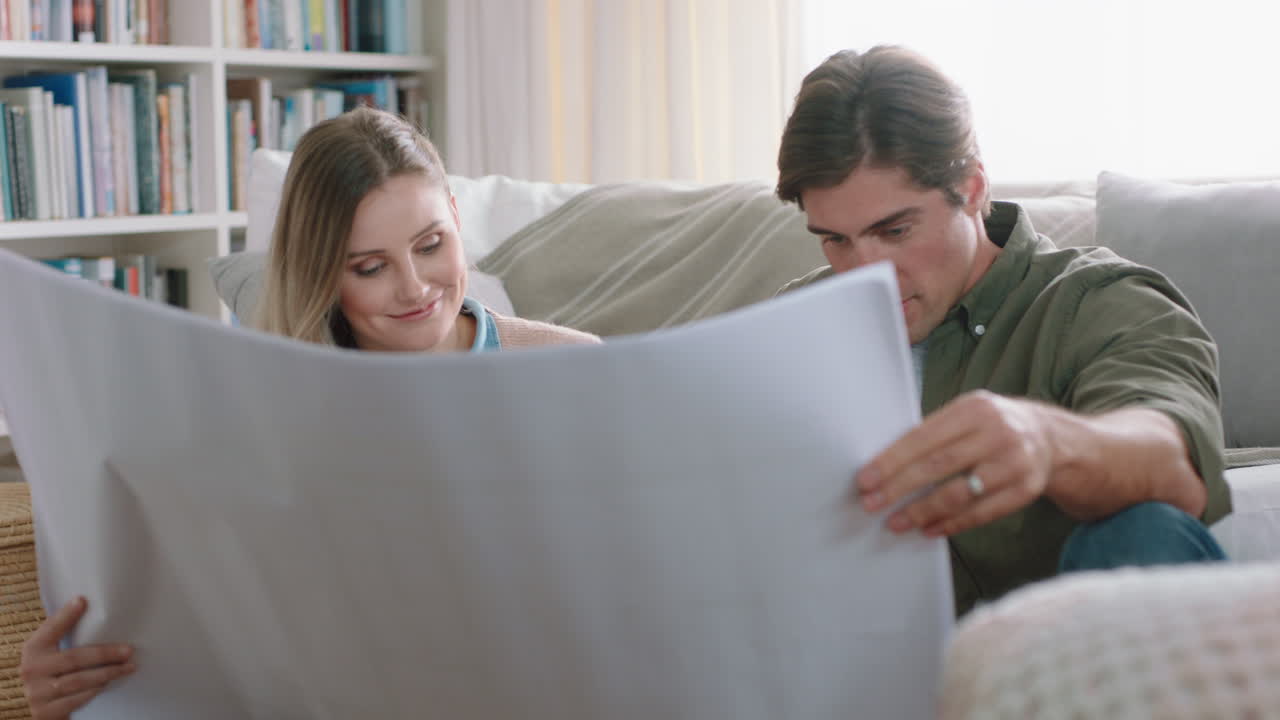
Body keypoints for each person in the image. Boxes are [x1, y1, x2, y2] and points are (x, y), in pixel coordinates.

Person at [21, 107, 599, 717]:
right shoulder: (257, 415)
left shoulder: (578, 372)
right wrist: (77, 694)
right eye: (369, 267)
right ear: (321, 271)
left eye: (430, 246)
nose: (414, 287)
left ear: (456, 218)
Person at [775, 46, 1230, 616]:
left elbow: (1175, 468)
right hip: (846, 662)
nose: (865, 276)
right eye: (835, 239)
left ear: (971, 189)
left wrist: (1047, 443)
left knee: (1141, 531)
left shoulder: (1096, 301)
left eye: (894, 230)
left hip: (1061, 667)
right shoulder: (794, 325)